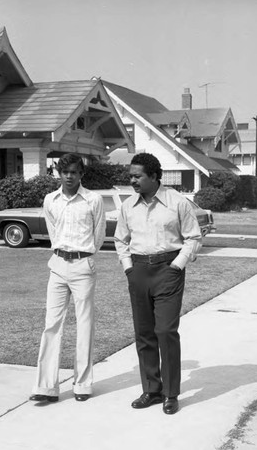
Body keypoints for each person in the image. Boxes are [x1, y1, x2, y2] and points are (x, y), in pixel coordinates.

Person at [114, 153, 202, 415]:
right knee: (144, 333)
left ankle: (170, 393)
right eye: (131, 176)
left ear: (153, 176)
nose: (132, 180)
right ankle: (152, 390)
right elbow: (120, 240)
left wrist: (178, 265)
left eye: (137, 176)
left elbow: (193, 237)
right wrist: (129, 268)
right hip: (139, 271)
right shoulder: (128, 206)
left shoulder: (177, 203)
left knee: (165, 331)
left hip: (168, 270)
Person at [30, 153, 106, 403]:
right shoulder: (50, 200)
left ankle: (83, 384)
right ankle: (46, 387)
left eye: (74, 172)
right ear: (59, 174)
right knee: (51, 324)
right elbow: (53, 231)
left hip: (83, 265)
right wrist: (63, 253)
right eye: (65, 172)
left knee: (84, 325)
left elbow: (99, 235)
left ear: (81, 174)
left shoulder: (93, 200)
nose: (70, 176)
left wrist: (83, 255)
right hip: (58, 265)